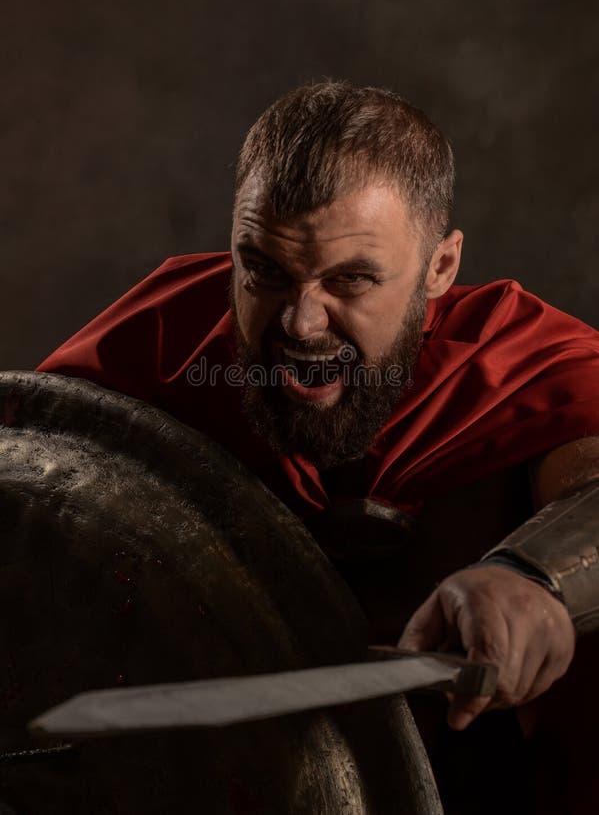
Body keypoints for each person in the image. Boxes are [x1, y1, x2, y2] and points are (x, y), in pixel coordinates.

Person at [38, 82, 599, 812]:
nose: (302, 324)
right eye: (265, 270)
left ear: (439, 268)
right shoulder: (155, 345)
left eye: (351, 279)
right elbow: (28, 508)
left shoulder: (514, 356)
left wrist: (535, 578)